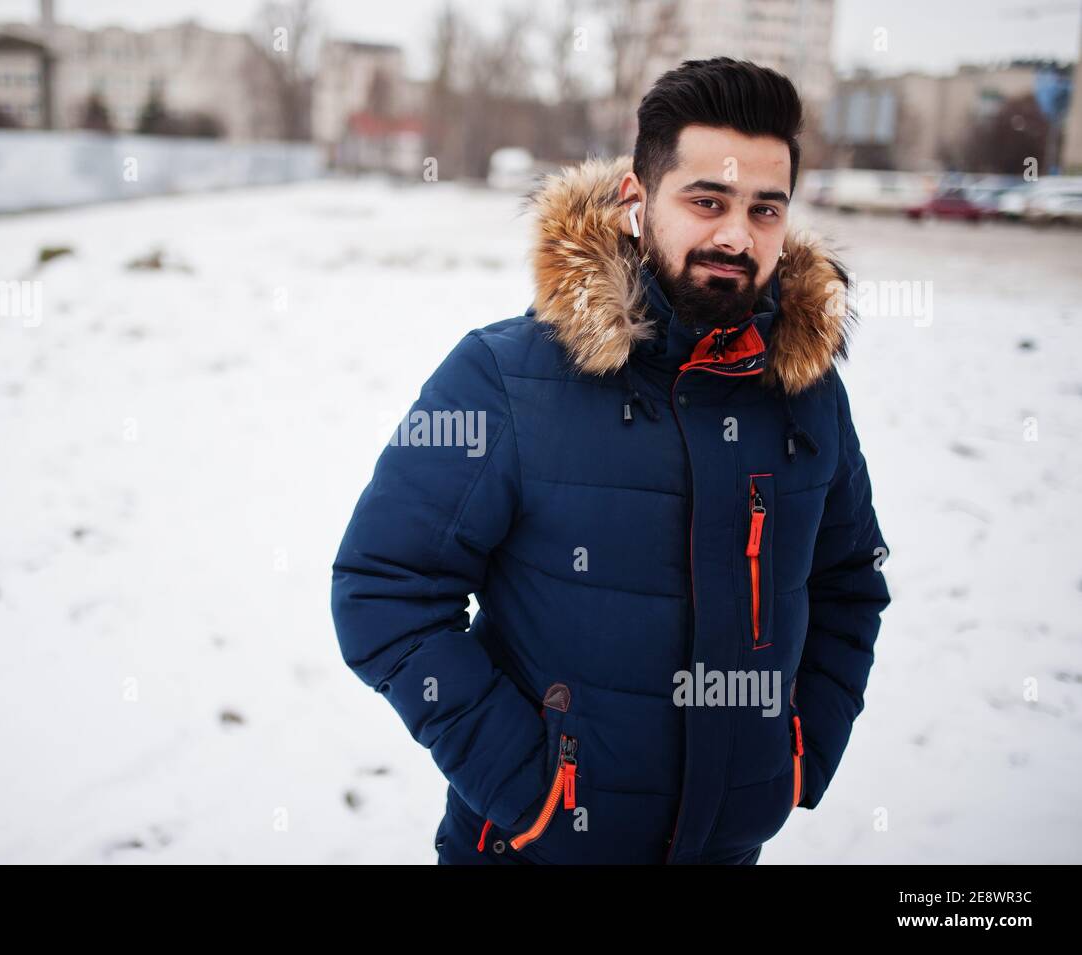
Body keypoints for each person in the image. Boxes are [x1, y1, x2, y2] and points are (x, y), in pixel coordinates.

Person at [330, 57, 891, 864]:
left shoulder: (804, 390)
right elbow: (382, 588)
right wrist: (530, 788)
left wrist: (799, 745)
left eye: (766, 209)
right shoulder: (506, 378)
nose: (737, 235)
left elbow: (850, 578)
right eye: (707, 201)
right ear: (637, 199)